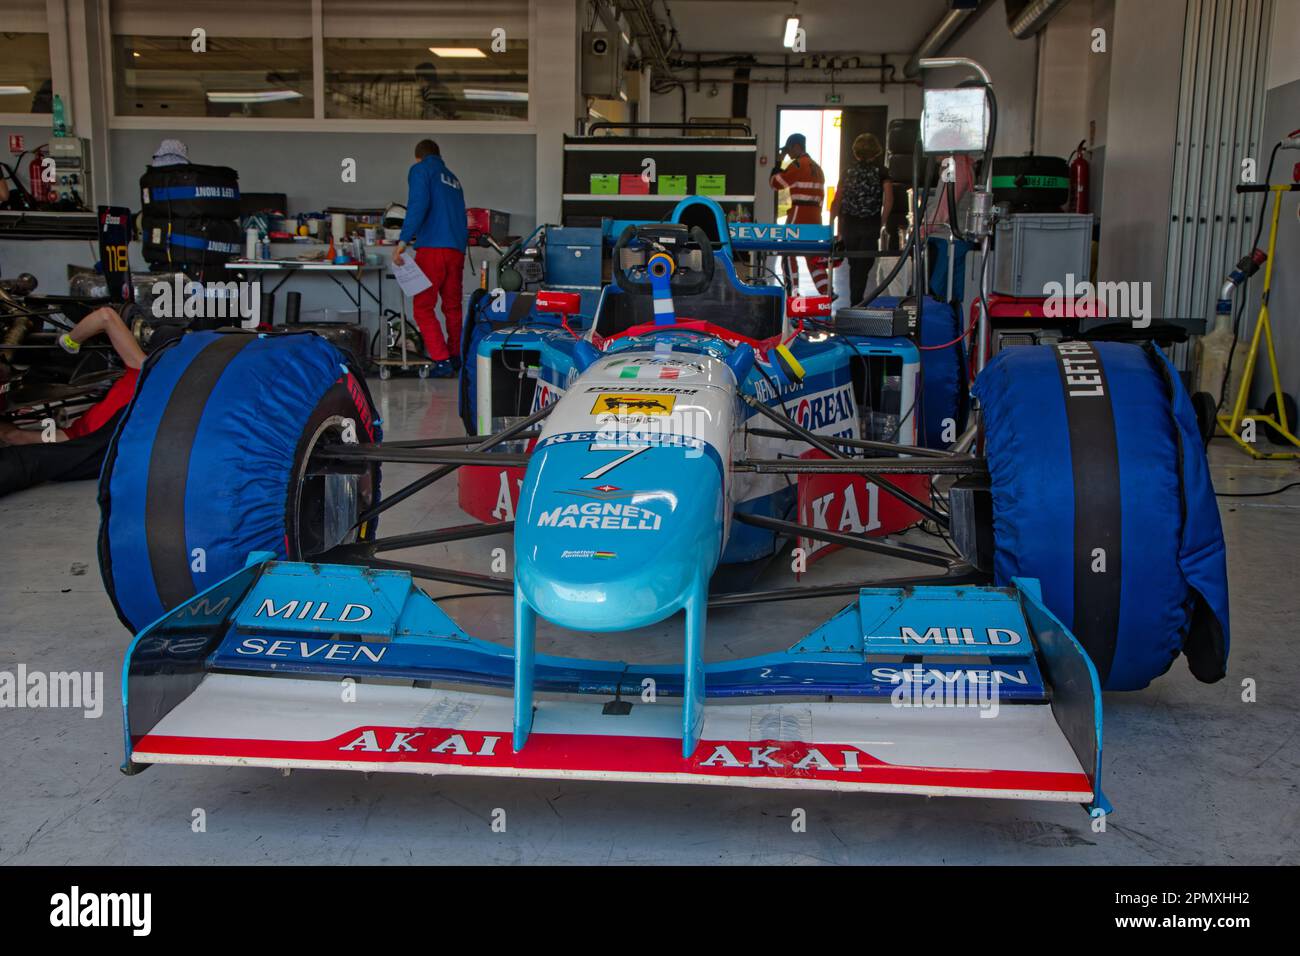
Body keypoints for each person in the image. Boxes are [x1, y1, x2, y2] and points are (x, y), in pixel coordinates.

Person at [0, 306, 146, 497]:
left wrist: (69, 341)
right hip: (79, 442)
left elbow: (105, 316)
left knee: (15, 441)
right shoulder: (148, 375)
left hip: (81, 443)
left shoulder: (145, 371)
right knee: (15, 438)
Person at [392, 139, 467, 378]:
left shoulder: (421, 170)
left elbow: (417, 205)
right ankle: (457, 357)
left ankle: (441, 359)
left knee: (423, 307)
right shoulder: (453, 179)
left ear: (418, 157)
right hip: (456, 250)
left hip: (432, 249)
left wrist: (403, 242)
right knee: (453, 307)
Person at [830, 133, 893, 306]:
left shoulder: (847, 172)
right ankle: (857, 302)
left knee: (854, 265)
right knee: (864, 266)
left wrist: (833, 226)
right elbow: (889, 200)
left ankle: (855, 301)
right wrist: (882, 221)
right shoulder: (882, 172)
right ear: (876, 152)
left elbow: (837, 200)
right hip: (870, 223)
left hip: (850, 223)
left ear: (855, 152)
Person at [770, 132, 830, 296]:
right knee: (812, 256)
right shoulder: (817, 167)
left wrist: (779, 161)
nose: (788, 154)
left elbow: (775, 183)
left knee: (787, 251)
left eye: (789, 150)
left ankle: (792, 291)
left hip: (799, 214)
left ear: (796, 147)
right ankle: (827, 290)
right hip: (816, 216)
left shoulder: (797, 165)